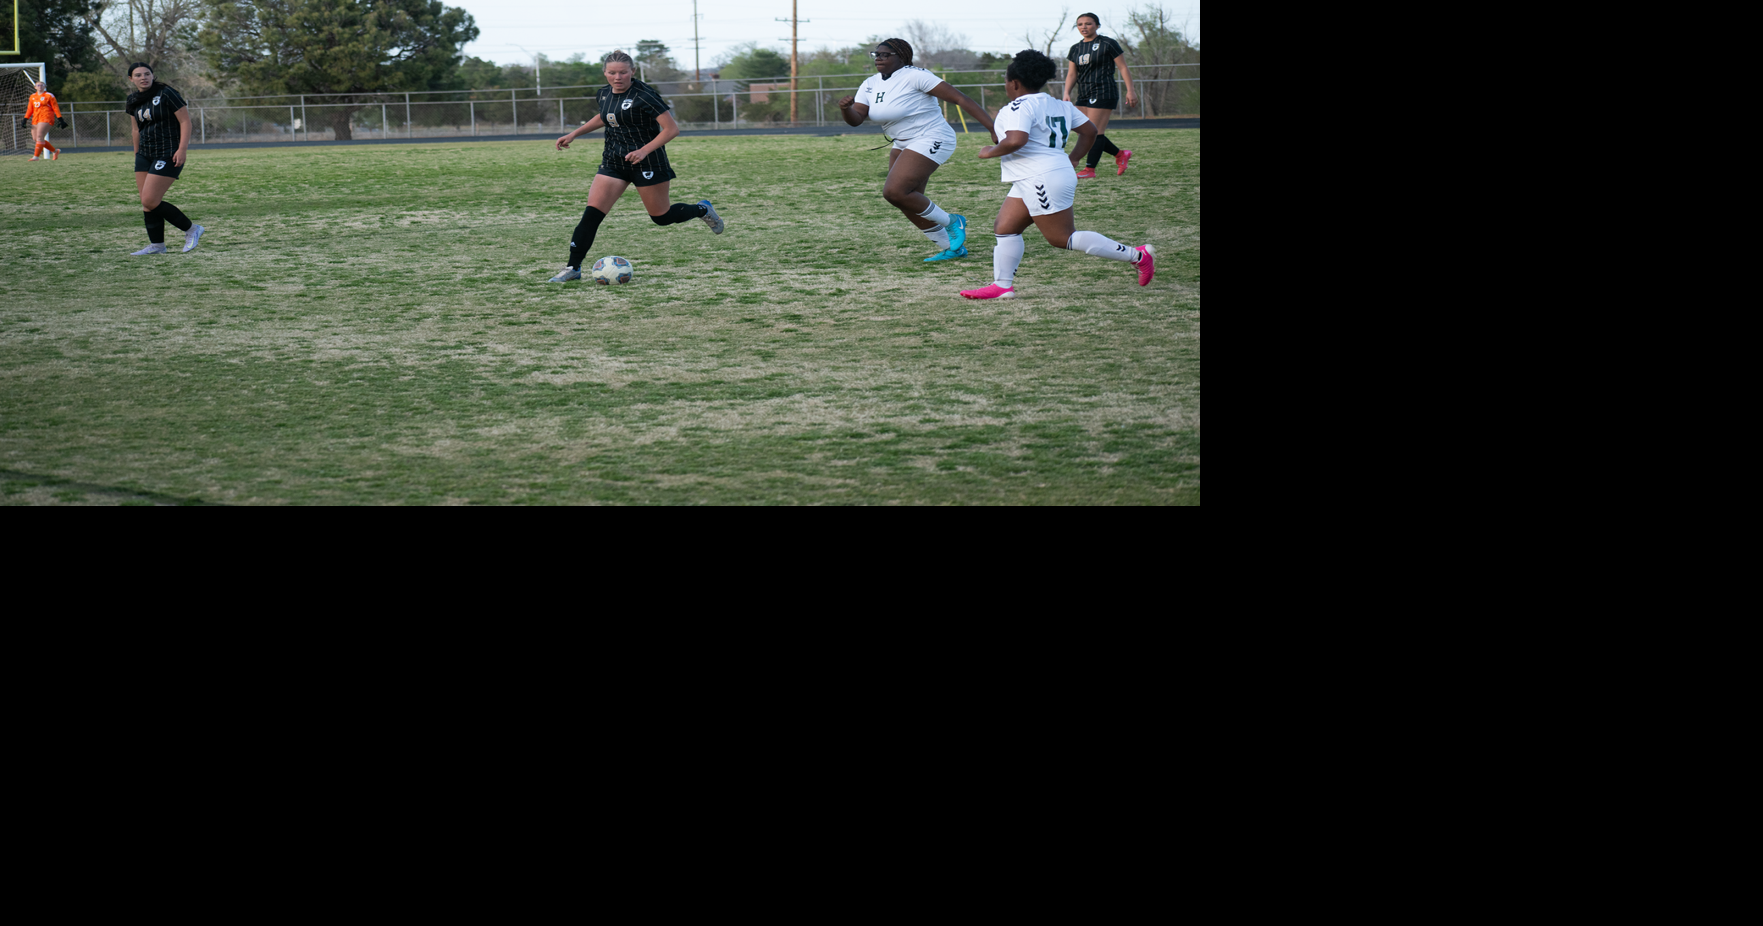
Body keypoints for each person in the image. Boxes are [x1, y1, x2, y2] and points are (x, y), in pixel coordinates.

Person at [961, 50, 1153, 300]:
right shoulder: (1058, 104)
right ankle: (1002, 286)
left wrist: (990, 152)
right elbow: (1090, 131)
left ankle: (1138, 255)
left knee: (1061, 237)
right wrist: (1072, 159)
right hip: (1038, 175)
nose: (1006, 85)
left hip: (1040, 176)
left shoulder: (1017, 106)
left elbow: (1016, 140)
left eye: (1006, 81)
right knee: (1005, 227)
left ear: (1014, 83)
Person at [546, 50, 725, 283]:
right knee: (591, 215)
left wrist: (643, 151)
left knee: (661, 217)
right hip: (613, 162)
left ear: (633, 71)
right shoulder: (603, 94)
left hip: (649, 162)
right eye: (612, 72)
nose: (617, 77)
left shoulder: (645, 95)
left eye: (622, 72)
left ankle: (702, 210)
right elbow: (604, 116)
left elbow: (672, 130)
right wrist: (574, 133)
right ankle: (573, 268)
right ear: (605, 73)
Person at [837, 39, 998, 262]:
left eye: (885, 54)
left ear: (901, 56)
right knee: (905, 199)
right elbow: (856, 120)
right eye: (876, 54)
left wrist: (992, 127)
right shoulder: (870, 84)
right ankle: (952, 248)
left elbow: (960, 98)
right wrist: (846, 109)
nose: (879, 58)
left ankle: (953, 222)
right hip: (901, 143)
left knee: (895, 192)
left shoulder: (916, 76)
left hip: (932, 137)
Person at [124, 63, 204, 255]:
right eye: (138, 75)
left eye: (147, 74)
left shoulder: (166, 93)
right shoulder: (132, 99)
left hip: (167, 152)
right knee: (146, 203)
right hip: (145, 154)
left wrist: (182, 149)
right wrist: (137, 154)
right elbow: (136, 129)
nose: (143, 77)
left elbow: (185, 121)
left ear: (153, 75)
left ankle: (192, 229)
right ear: (131, 79)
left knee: (150, 199)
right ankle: (157, 245)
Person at [1063, 13, 1138, 179]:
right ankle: (1120, 154)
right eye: (1080, 24)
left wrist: (1130, 90)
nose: (1084, 27)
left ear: (1097, 25)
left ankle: (1089, 169)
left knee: (1095, 132)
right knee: (1085, 132)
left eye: (1088, 24)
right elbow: (1072, 74)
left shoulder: (1108, 43)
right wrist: (1066, 92)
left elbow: (1124, 68)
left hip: (1104, 91)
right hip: (1083, 93)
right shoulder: (1075, 48)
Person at [25, 81, 61, 160]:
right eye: (38, 85)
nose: (40, 87)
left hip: (46, 117)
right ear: (35, 87)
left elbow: (55, 107)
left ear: (45, 87)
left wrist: (60, 118)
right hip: (36, 119)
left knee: (39, 136)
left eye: (42, 85)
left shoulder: (49, 95)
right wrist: (25, 119)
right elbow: (30, 109)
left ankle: (36, 157)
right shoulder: (32, 96)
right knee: (35, 138)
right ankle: (55, 151)